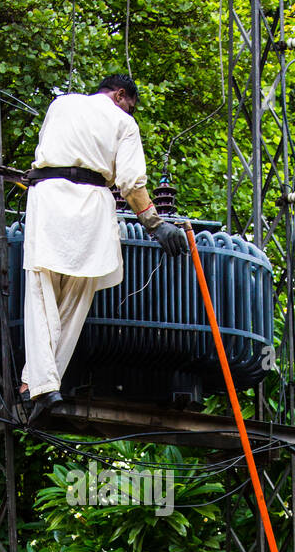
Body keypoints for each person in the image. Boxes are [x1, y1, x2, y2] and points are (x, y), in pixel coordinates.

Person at [20, 74, 188, 419]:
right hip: (92, 209)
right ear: (121, 95)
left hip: (49, 199)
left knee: (41, 295)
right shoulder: (123, 122)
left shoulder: (61, 104)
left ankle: (38, 384)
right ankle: (41, 383)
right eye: (132, 104)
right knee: (75, 303)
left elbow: (49, 150)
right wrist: (155, 224)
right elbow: (131, 182)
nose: (131, 111)